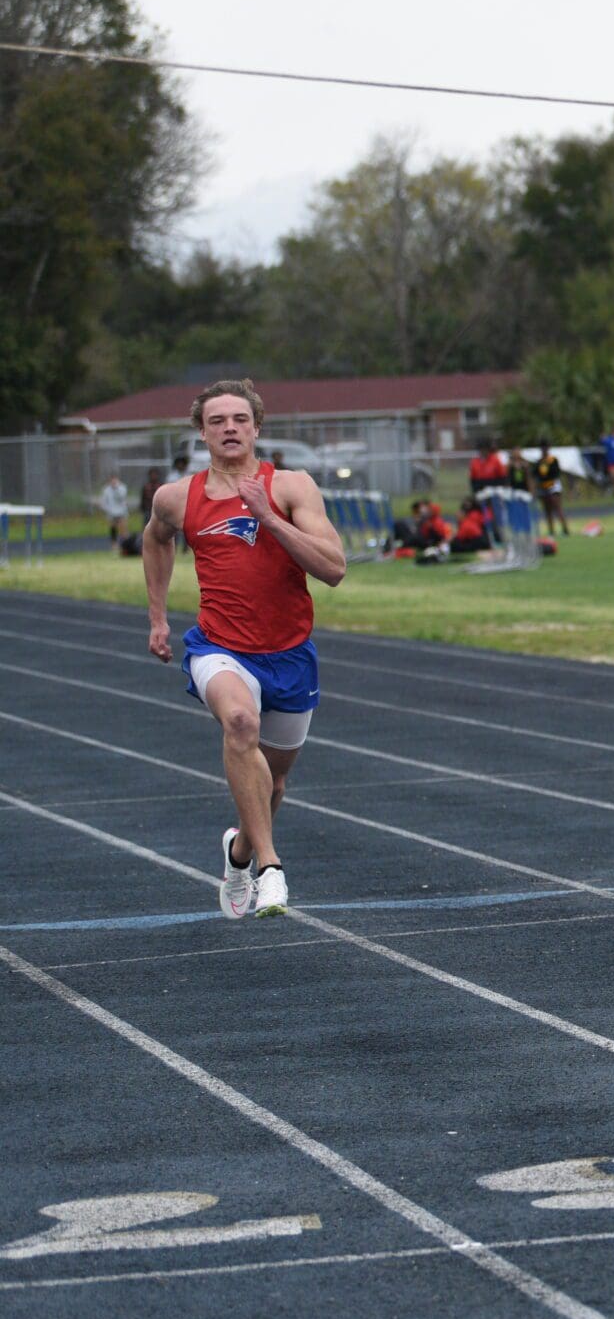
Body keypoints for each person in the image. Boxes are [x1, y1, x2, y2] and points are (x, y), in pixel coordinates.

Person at [142, 379, 346, 919]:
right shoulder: (176, 498)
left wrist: (270, 518)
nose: (229, 428)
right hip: (219, 646)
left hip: (289, 653)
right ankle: (271, 869)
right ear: (202, 433)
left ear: (257, 427)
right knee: (240, 723)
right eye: (217, 421)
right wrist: (158, 617)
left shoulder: (292, 487)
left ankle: (239, 853)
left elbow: (333, 570)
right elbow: (155, 538)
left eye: (239, 419)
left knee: (274, 781)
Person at [530, 444, 569, 538]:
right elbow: (534, 474)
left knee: (557, 507)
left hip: (553, 486)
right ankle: (551, 531)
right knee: (547, 510)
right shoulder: (539, 462)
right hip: (543, 487)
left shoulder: (553, 460)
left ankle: (565, 530)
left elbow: (557, 473)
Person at [96, 471, 131, 547]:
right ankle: (114, 545)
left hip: (122, 512)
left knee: (123, 529)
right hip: (111, 513)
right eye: (112, 480)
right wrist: (107, 509)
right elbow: (103, 502)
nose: (113, 481)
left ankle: (126, 544)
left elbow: (122, 498)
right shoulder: (106, 490)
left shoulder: (122, 488)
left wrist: (116, 489)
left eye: (115, 480)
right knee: (113, 529)